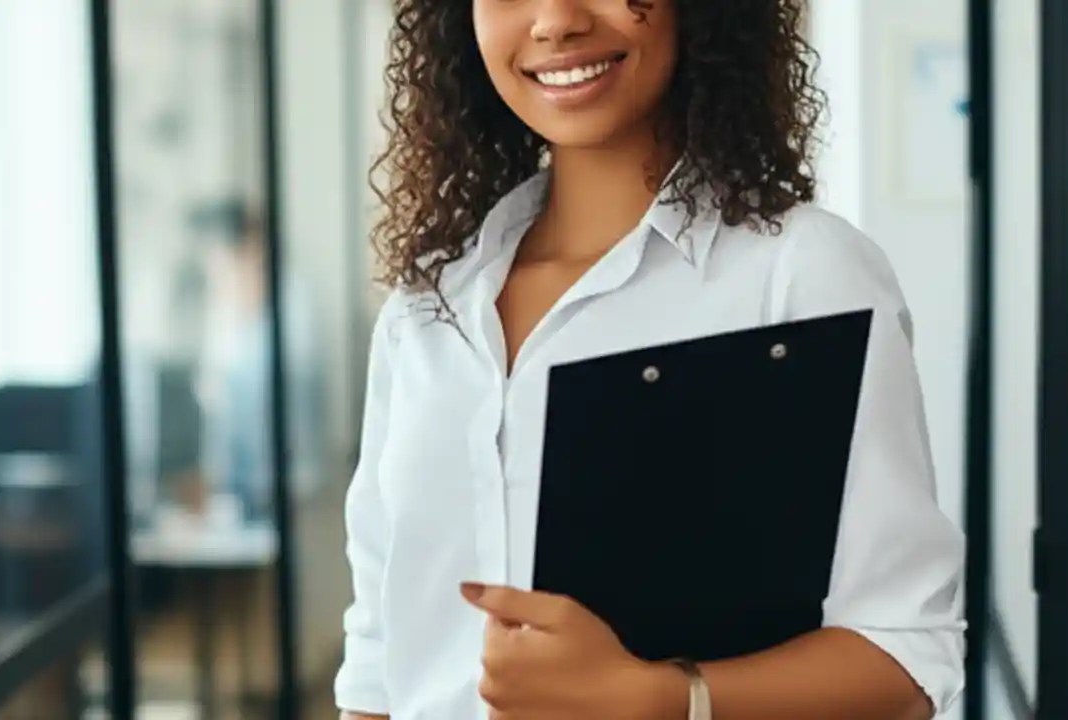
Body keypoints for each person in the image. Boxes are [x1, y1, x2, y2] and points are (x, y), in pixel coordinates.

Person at [337, 1, 965, 719]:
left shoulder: (799, 275)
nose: (555, 20)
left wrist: (663, 698)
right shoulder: (424, 311)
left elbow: (908, 657)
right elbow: (378, 664)